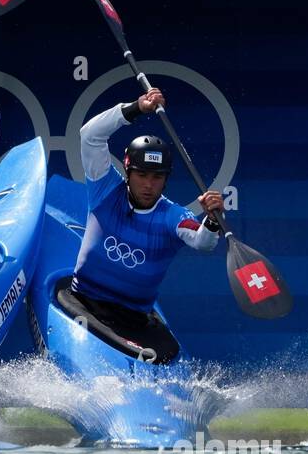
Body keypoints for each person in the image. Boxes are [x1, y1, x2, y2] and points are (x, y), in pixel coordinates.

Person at [65, 87, 222, 364]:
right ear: (128, 171)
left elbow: (203, 242)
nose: (149, 184)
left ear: (166, 179)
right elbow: (90, 135)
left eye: (157, 177)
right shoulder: (105, 189)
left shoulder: (172, 216)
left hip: (134, 320)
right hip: (83, 301)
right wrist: (137, 107)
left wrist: (211, 221)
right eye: (141, 175)